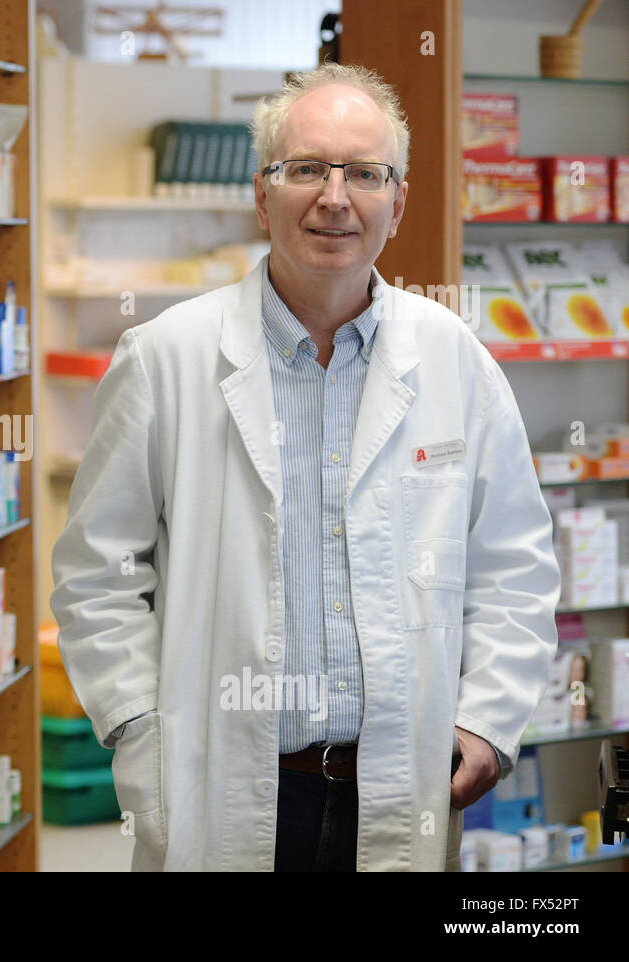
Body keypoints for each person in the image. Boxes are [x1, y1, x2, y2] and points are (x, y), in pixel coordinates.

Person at [49, 62, 559, 872]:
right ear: (262, 195)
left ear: (398, 200)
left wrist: (488, 718)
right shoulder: (166, 358)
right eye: (306, 169)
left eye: (364, 172)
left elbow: (515, 565)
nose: (334, 196)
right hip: (221, 788)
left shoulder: (455, 359)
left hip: (399, 786)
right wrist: (141, 728)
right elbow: (95, 575)